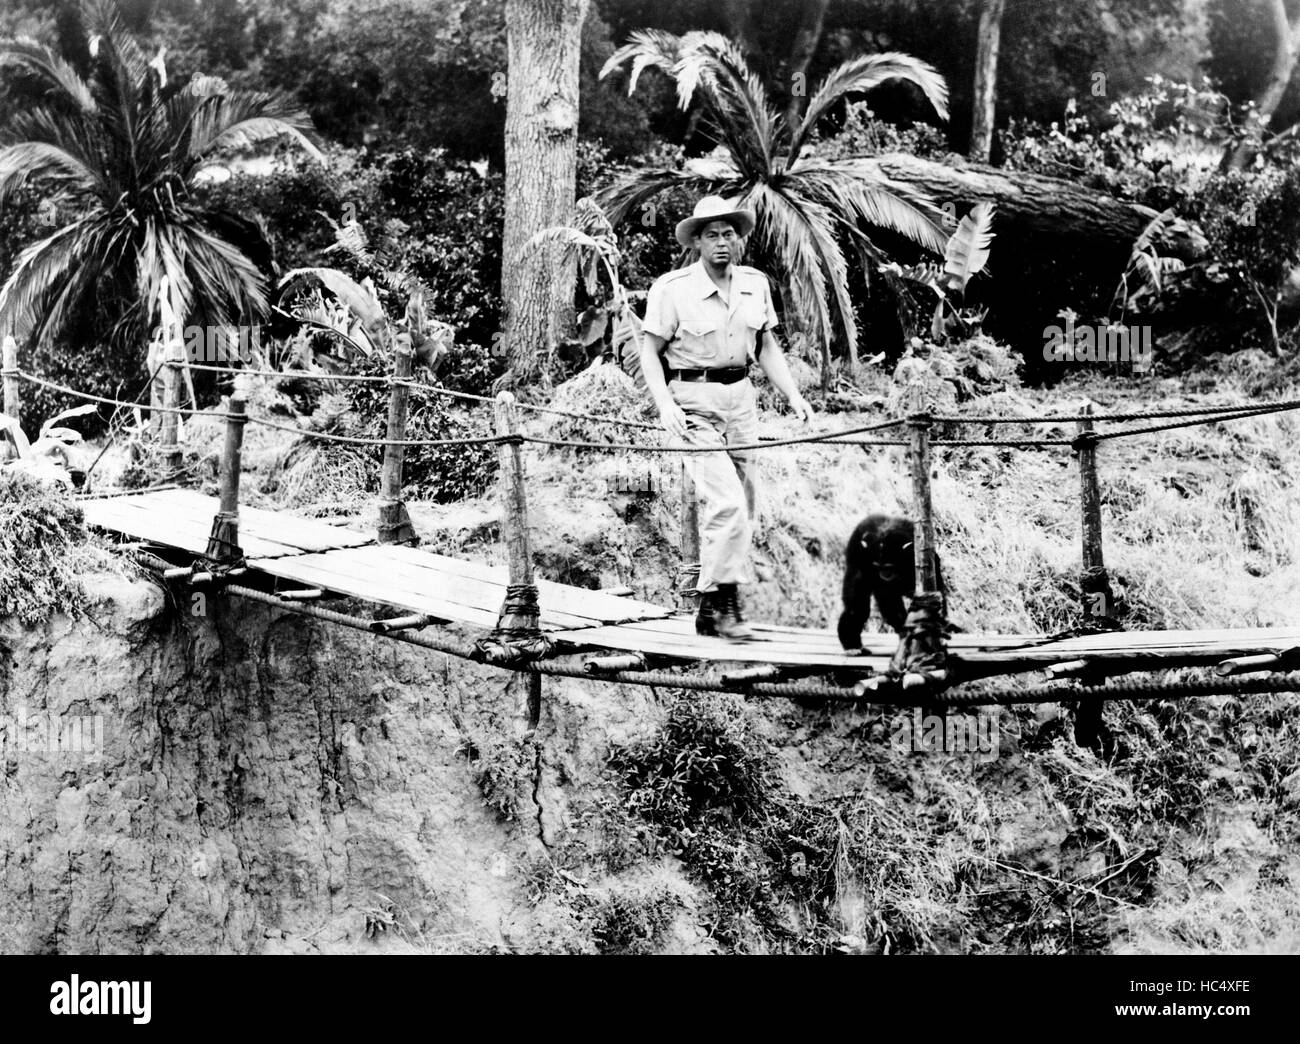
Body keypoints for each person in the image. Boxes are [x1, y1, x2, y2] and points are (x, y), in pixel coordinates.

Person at [640, 195, 814, 641]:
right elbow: (649, 351)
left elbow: (767, 346)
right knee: (728, 503)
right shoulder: (672, 288)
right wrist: (665, 406)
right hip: (692, 402)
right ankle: (728, 607)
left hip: (741, 401)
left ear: (739, 239)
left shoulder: (755, 284)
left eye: (729, 233)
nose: (722, 242)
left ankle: (708, 608)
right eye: (712, 234)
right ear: (696, 241)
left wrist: (793, 395)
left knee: (747, 504)